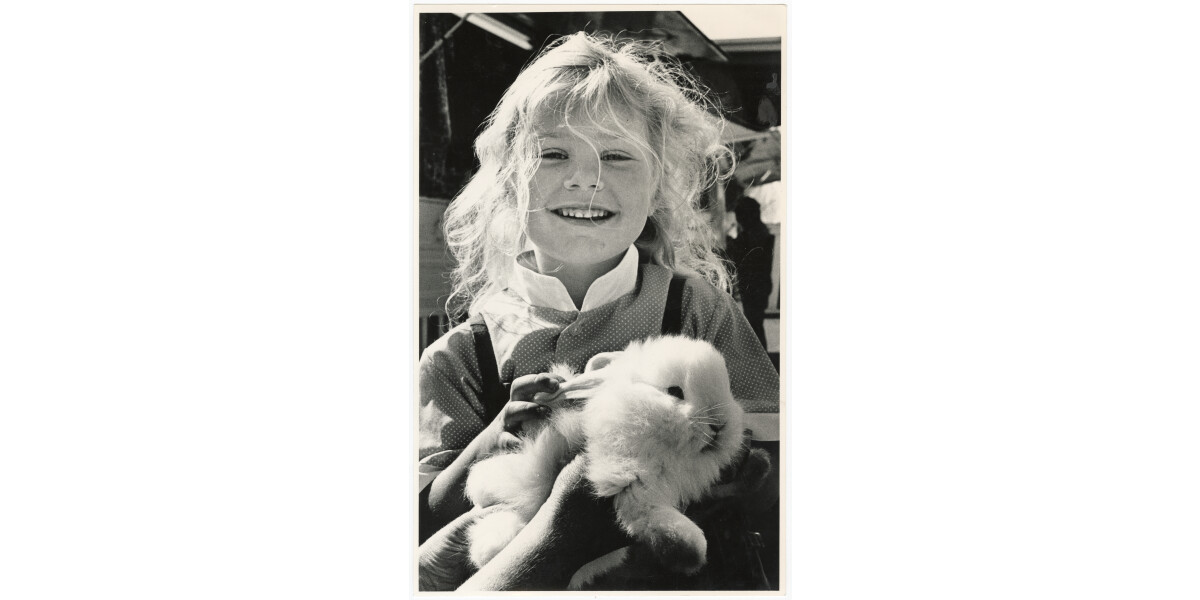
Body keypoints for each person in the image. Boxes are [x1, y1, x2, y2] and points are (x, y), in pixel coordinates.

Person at [418, 32, 780, 589]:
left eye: (617, 156)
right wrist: (498, 432)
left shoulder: (697, 311)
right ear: (508, 180)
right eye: (553, 153)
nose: (587, 177)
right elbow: (427, 511)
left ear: (659, 182)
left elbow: (771, 466)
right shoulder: (467, 350)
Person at [725, 195, 776, 349]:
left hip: (755, 287)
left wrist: (730, 242)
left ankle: (759, 359)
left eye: (740, 215)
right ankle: (760, 357)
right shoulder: (759, 232)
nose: (739, 219)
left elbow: (744, 257)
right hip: (759, 286)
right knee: (755, 326)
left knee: (754, 327)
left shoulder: (754, 235)